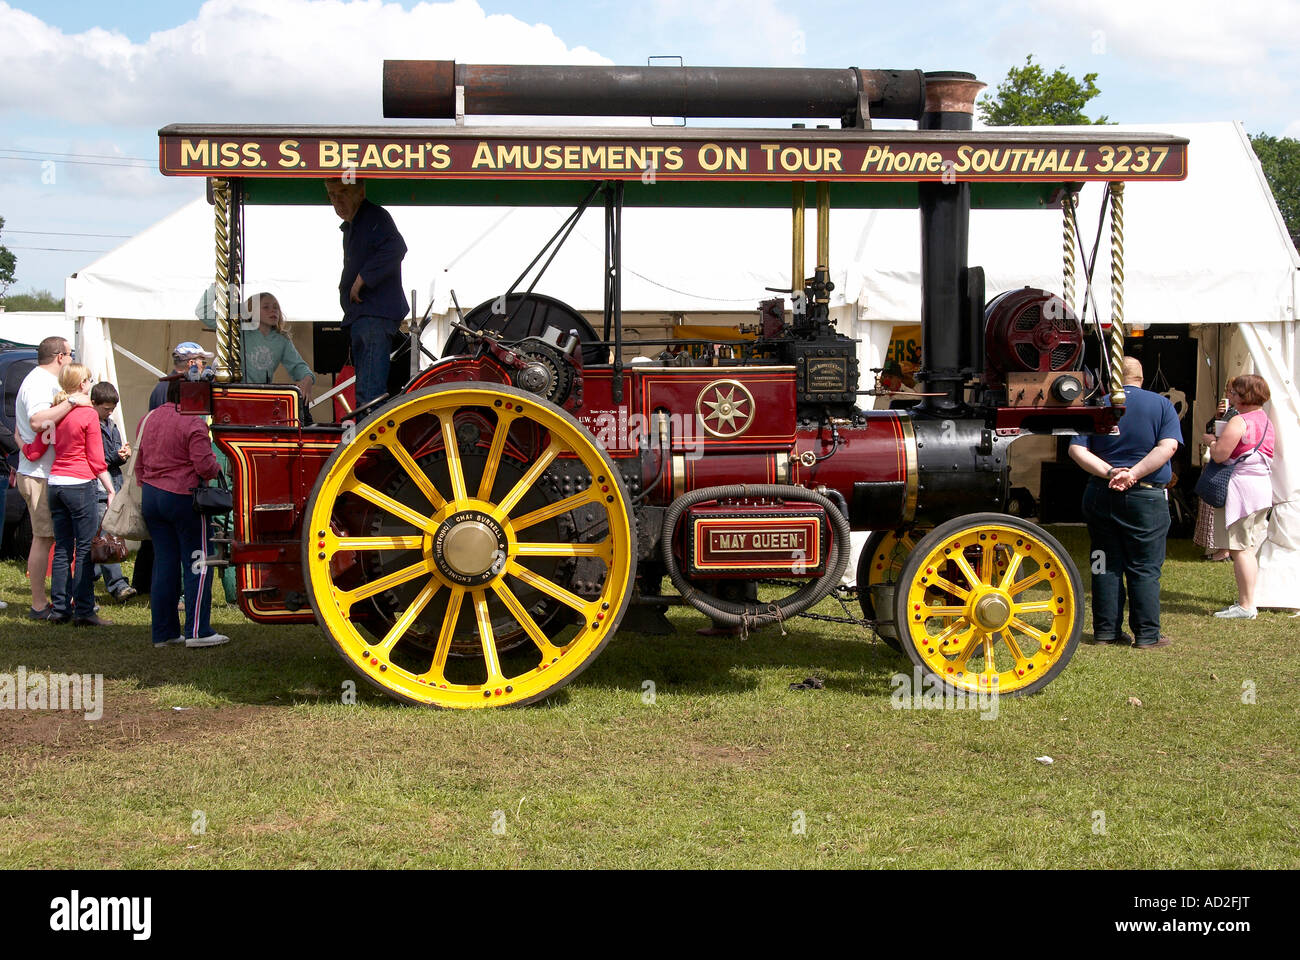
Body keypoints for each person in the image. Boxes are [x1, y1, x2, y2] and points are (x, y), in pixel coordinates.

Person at [1068, 356, 1182, 649]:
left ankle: (1106, 631)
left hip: (1101, 492)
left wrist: (1110, 472)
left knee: (1104, 561)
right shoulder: (1161, 405)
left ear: (1111, 379)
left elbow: (1076, 450)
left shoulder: (1095, 405)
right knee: (1144, 565)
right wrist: (1134, 473)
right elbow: (1167, 447)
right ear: (1141, 378)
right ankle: (1147, 634)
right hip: (1145, 495)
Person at [135, 378, 229, 648]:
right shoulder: (193, 422)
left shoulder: (148, 419)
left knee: (164, 563)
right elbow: (205, 465)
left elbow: (139, 462)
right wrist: (218, 470)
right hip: (183, 497)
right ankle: (198, 630)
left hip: (152, 496)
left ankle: (163, 632)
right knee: (199, 563)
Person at [15, 336, 87, 620]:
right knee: (43, 538)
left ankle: (54, 600)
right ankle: (38, 604)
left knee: (50, 538)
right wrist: (71, 402)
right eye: (70, 354)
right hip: (38, 473)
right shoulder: (38, 383)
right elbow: (37, 421)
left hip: (42, 471)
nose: (71, 359)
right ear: (59, 356)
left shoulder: (41, 381)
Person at [325, 178, 408, 408]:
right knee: (365, 391)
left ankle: (371, 441)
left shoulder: (374, 216)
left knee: (369, 394)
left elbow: (396, 247)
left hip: (374, 315)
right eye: (332, 194)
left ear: (360, 192)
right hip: (363, 316)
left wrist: (362, 278)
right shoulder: (353, 226)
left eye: (343, 192)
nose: (337, 200)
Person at [46, 364, 117, 626]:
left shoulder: (55, 411)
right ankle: (85, 610)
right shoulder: (86, 413)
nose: (90, 384)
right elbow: (97, 459)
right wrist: (110, 489)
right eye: (88, 380)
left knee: (63, 547)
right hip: (79, 482)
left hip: (56, 482)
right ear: (80, 385)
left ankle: (60, 608)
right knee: (85, 547)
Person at [1202, 374, 1276, 619]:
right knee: (1249, 546)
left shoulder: (1240, 421)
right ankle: (1249, 600)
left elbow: (1221, 455)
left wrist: (1211, 442)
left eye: (1234, 393)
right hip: (1261, 488)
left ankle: (1246, 605)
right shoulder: (1265, 420)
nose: (1230, 396)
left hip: (1242, 490)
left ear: (1244, 396)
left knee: (1240, 549)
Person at [91, 381, 137, 602]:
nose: (110, 412)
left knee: (102, 536)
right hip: (100, 485)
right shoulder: (93, 426)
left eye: (112, 409)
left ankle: (89, 576)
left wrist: (123, 452)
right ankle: (118, 585)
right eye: (106, 408)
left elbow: (112, 453)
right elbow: (97, 458)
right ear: (94, 404)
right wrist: (119, 456)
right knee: (107, 537)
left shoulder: (111, 425)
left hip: (113, 482)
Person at [240, 292, 316, 395]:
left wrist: (307, 377)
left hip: (263, 394)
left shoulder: (282, 339)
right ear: (251, 311)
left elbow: (297, 365)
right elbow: (212, 321)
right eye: (266, 307)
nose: (273, 310)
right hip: (236, 391)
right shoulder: (240, 331)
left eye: (276, 307)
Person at [149, 342, 213, 411]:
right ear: (191, 363)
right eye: (203, 363)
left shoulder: (160, 387)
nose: (204, 366)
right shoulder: (188, 389)